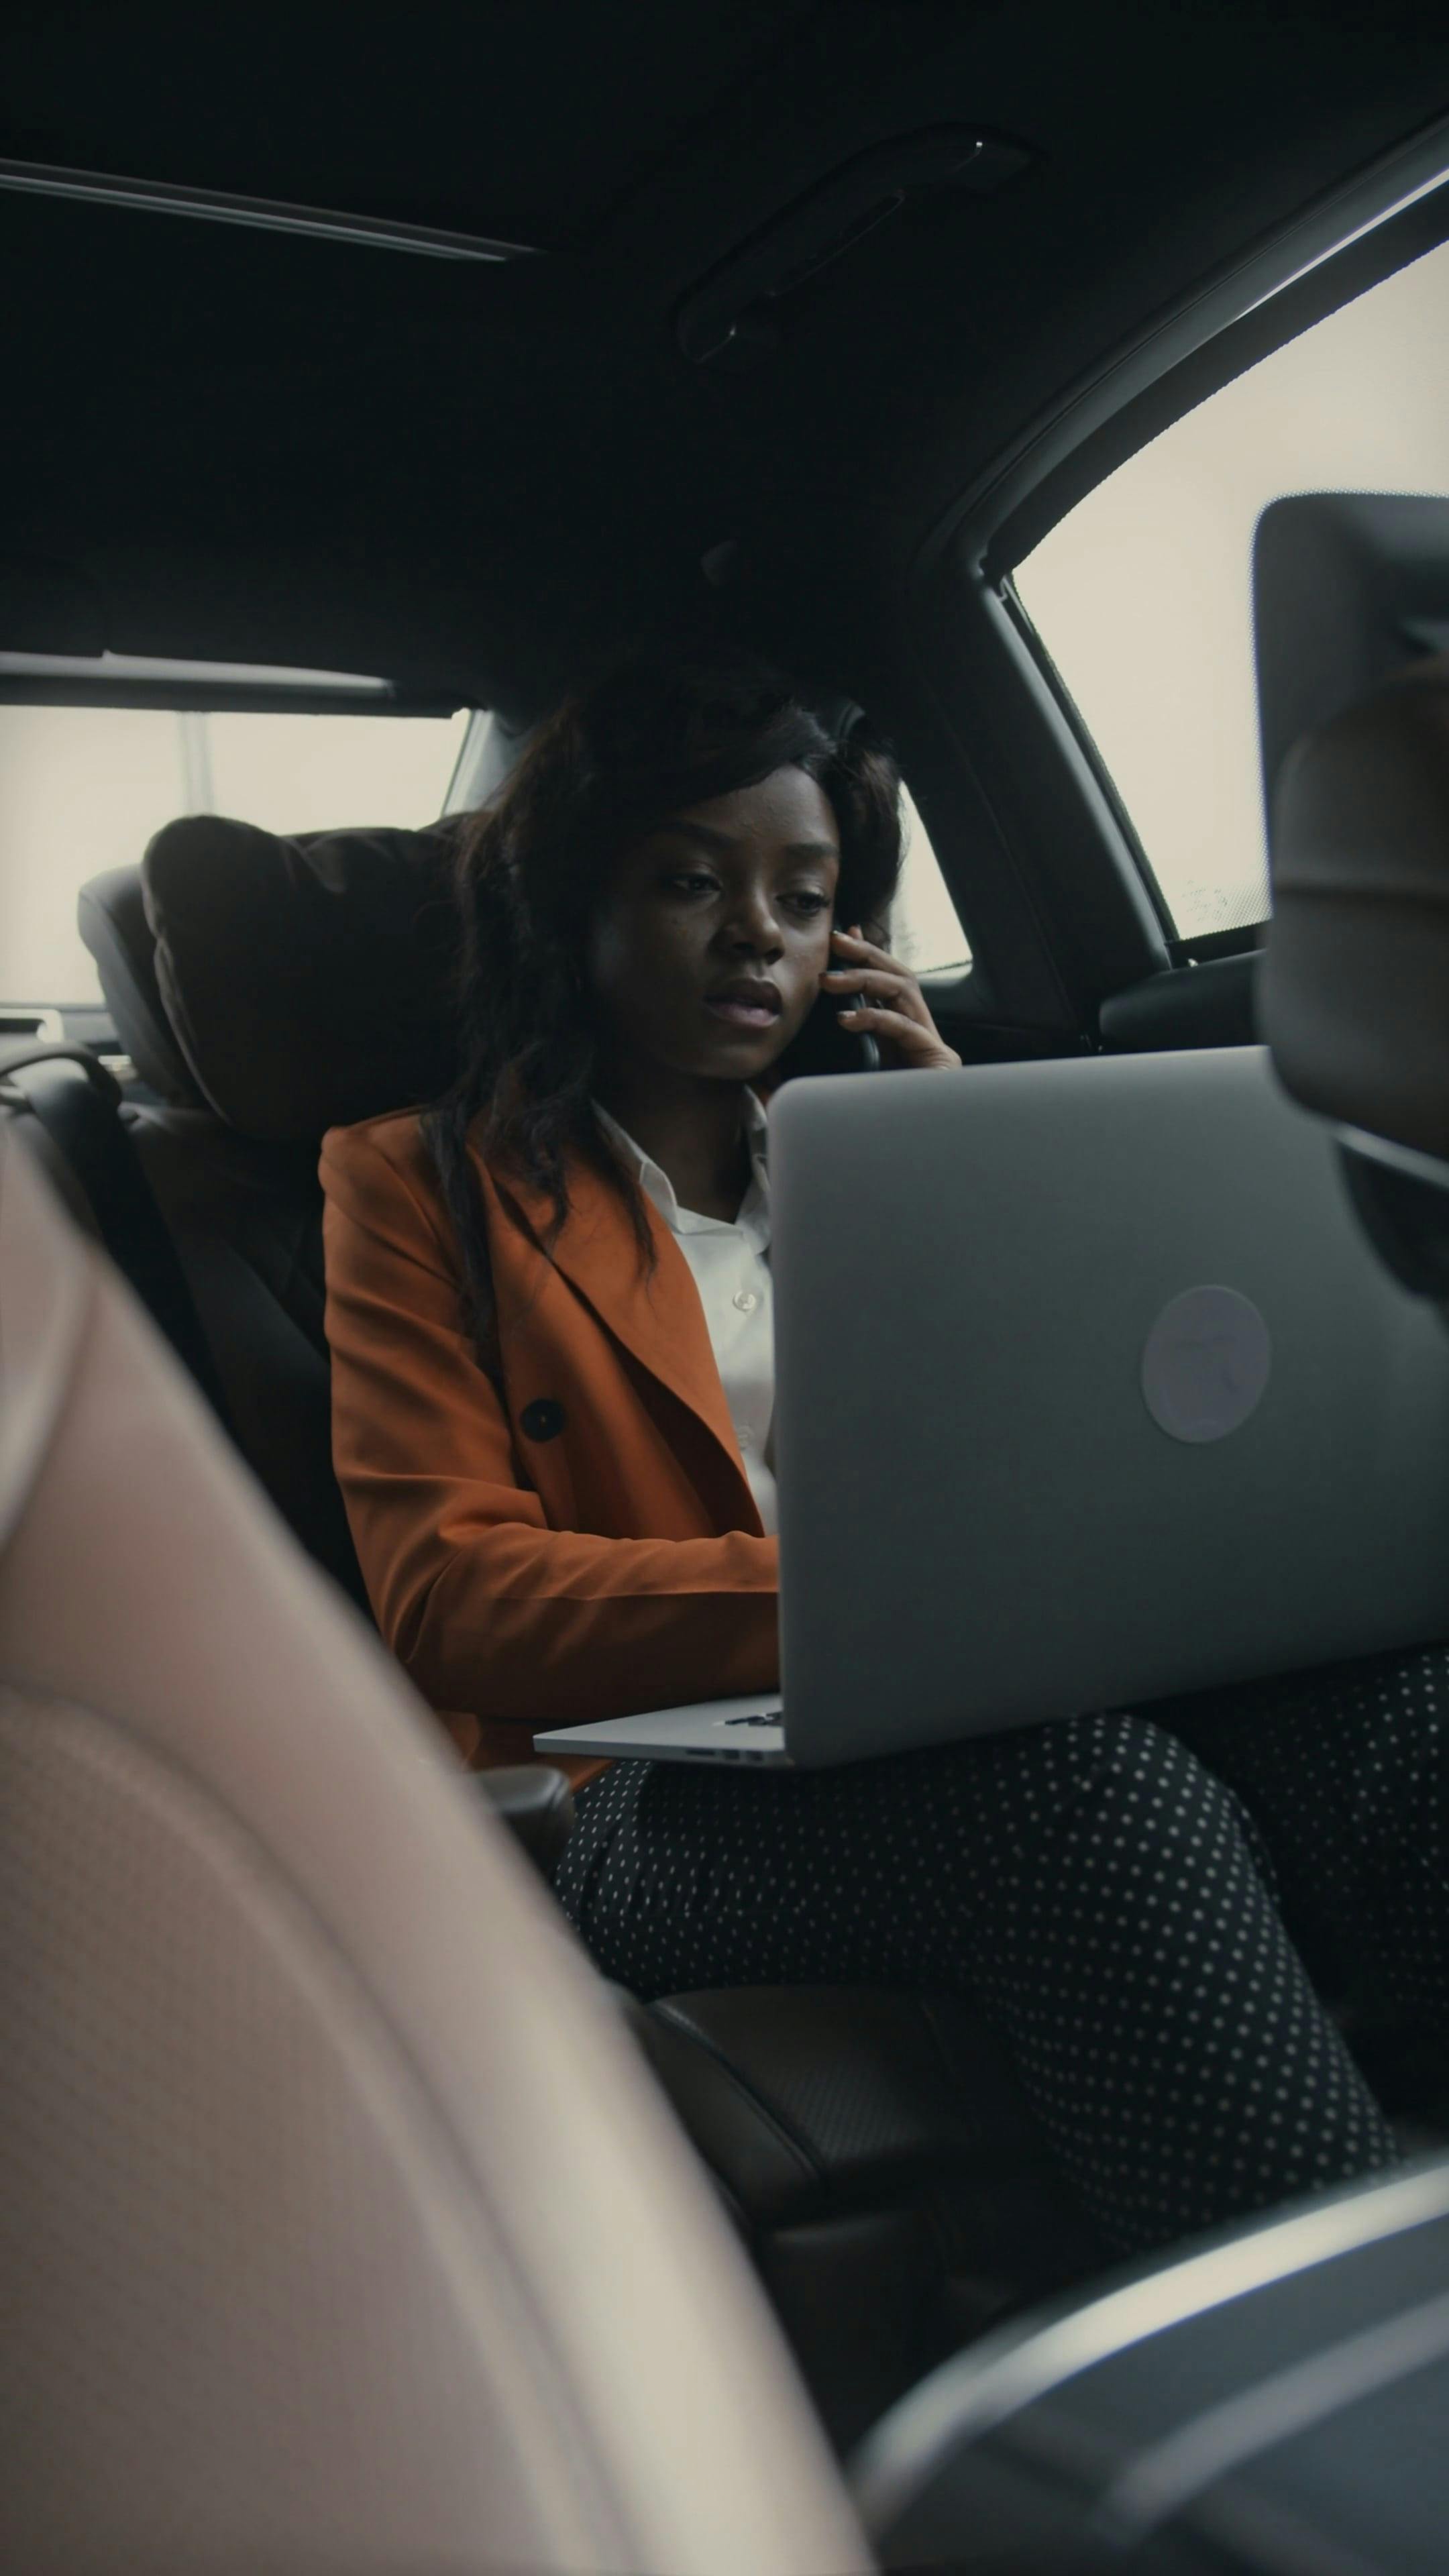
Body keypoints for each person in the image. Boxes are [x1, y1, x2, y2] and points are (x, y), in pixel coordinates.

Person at [321, 651, 1447, 2258]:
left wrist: (974, 1165)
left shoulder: (905, 1143)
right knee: (1093, 1801)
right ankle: (1327, 2406)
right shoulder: (413, 1187)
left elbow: (1107, 1470)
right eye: (692, 882)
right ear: (574, 906)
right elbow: (454, 1594)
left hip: (1020, 1692)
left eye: (802, 893)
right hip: (650, 1786)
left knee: (1410, 1723)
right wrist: (874, 1604)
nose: (753, 935)